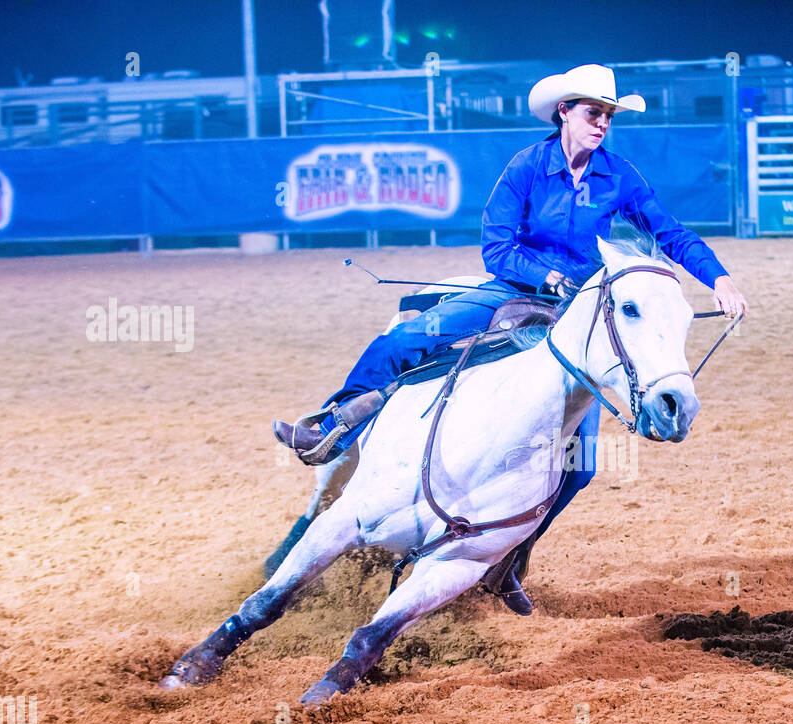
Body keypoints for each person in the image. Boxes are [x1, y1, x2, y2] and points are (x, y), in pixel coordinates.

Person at [273, 63, 748, 614]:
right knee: (403, 343)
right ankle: (331, 424)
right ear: (564, 113)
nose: (602, 124)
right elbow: (496, 248)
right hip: (514, 289)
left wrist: (718, 278)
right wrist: (547, 276)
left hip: (580, 317)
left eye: (609, 116)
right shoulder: (526, 167)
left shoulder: (620, 176)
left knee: (580, 468)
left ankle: (505, 561)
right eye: (594, 113)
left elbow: (670, 233)